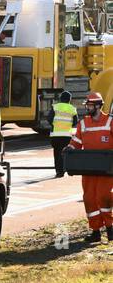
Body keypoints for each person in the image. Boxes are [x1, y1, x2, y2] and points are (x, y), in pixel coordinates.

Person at [69, 92, 113, 241]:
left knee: (104, 197)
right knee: (89, 199)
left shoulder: (110, 121)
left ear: (98, 106)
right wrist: (70, 148)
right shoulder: (83, 123)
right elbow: (76, 142)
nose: (87, 108)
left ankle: (110, 228)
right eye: (87, 105)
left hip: (106, 169)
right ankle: (95, 232)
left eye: (90, 105)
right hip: (88, 168)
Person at [50, 90, 77, 177]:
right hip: (66, 135)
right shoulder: (72, 109)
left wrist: (54, 124)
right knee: (64, 153)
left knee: (56, 153)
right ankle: (63, 170)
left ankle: (58, 171)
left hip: (55, 135)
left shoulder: (55, 107)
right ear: (70, 99)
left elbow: (49, 118)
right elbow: (75, 121)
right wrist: (68, 125)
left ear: (60, 99)